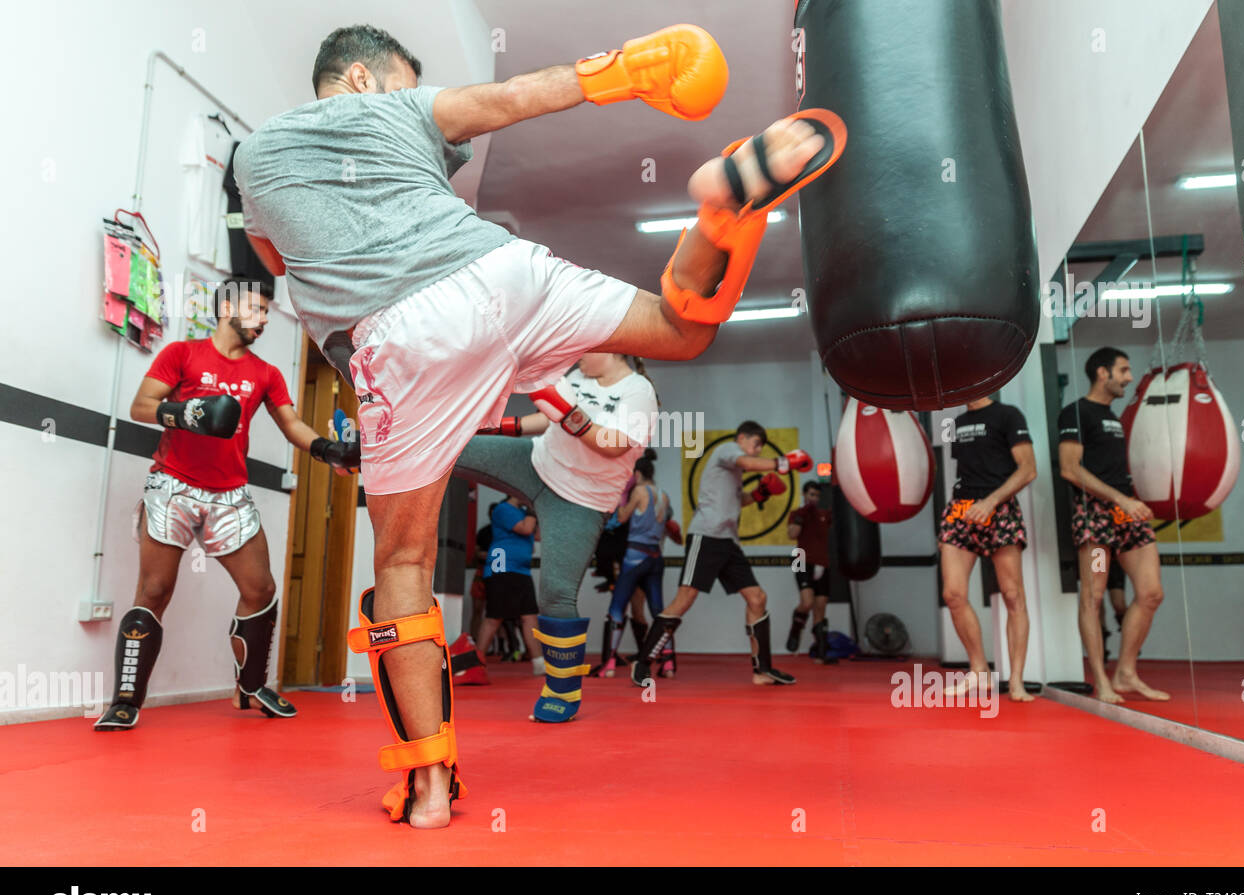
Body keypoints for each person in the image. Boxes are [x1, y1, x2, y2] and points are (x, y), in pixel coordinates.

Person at [234, 22, 845, 827]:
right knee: (678, 328)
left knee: (405, 563)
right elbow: (508, 99)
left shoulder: (253, 161)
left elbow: (272, 262)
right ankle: (722, 214)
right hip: (501, 273)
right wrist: (625, 71)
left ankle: (427, 785)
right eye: (401, 81)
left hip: (401, 336)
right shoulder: (385, 110)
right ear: (357, 79)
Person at [94, 278, 359, 730]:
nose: (262, 319)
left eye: (266, 313)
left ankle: (250, 688)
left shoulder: (267, 373)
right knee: (154, 591)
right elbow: (142, 406)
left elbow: (291, 424)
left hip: (229, 493)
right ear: (227, 308)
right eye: (255, 309)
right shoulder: (182, 354)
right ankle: (126, 699)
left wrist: (327, 451)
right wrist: (187, 413)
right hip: (173, 484)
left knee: (261, 589)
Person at [460, 351, 659, 719]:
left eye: (587, 352)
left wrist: (569, 414)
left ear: (613, 350)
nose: (579, 359)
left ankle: (561, 693)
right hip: (535, 462)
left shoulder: (638, 391)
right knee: (452, 446)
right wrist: (500, 427)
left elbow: (613, 443)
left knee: (556, 595)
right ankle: (360, 450)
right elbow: (548, 418)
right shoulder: (579, 378)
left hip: (580, 499)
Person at [632, 422, 813, 686]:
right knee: (685, 599)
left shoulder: (734, 472)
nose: (758, 450)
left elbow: (738, 500)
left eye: (761, 447)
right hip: (706, 535)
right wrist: (783, 462)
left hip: (729, 541)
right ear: (742, 438)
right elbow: (748, 462)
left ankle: (762, 670)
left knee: (757, 598)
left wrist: (761, 493)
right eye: (756, 444)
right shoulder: (727, 450)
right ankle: (643, 661)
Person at [1058, 347, 1168, 704]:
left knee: (1151, 593)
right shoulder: (1076, 411)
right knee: (1094, 595)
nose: (1129, 377)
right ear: (1102, 373)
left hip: (1125, 515)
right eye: (1123, 370)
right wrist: (1119, 500)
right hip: (1096, 518)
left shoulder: (1113, 417)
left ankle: (1125, 672)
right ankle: (1102, 682)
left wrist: (1129, 501)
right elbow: (1070, 469)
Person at [937, 394, 1037, 702]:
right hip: (961, 509)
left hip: (999, 506)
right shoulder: (953, 424)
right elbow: (964, 470)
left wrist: (991, 502)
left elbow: (1028, 469)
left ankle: (1017, 680)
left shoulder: (1008, 414)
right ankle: (978, 670)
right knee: (953, 594)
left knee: (1012, 595)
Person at [596, 452, 683, 678]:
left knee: (617, 608)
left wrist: (616, 501)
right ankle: (668, 663)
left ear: (637, 473)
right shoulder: (663, 495)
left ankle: (609, 663)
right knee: (659, 612)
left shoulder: (639, 491)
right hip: (656, 557)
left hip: (635, 556)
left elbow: (622, 517)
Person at [476, 495, 544, 673]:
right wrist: (533, 508)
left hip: (521, 570)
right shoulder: (503, 509)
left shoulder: (523, 512)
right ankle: (476, 662)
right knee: (494, 617)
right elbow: (526, 528)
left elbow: (538, 535)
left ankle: (539, 663)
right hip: (502, 567)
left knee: (529, 616)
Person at [785, 483, 834, 662]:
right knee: (806, 603)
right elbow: (792, 534)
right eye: (811, 495)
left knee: (820, 607)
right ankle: (795, 630)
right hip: (802, 560)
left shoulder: (824, 515)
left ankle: (821, 652)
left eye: (817, 496)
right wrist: (802, 515)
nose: (814, 499)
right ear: (804, 494)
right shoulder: (798, 513)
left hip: (822, 563)